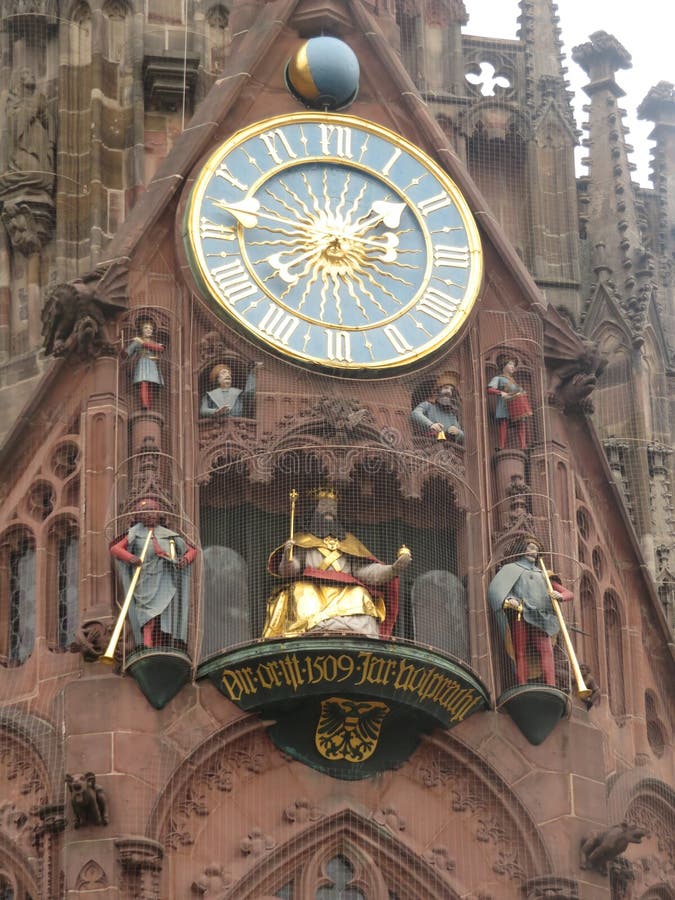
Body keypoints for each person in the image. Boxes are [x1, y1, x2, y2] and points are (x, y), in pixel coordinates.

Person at [262, 490, 411, 639]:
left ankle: (353, 632)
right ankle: (313, 630)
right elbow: (289, 571)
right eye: (324, 506)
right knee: (302, 591)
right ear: (314, 510)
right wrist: (287, 557)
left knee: (360, 593)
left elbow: (365, 571)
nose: (330, 511)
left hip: (346, 587)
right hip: (312, 585)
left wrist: (393, 569)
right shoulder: (302, 540)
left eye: (333, 507)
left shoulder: (350, 542)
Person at [110, 498, 197, 649]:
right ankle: (146, 645)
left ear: (159, 514)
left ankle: (163, 645)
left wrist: (184, 560)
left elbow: (192, 551)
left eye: (153, 510)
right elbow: (115, 549)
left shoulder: (169, 534)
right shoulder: (136, 532)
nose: (150, 515)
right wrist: (131, 558)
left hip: (165, 579)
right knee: (146, 615)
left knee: (165, 613)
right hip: (144, 579)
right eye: (145, 512)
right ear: (139, 516)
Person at [488, 537, 572, 687]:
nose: (533, 552)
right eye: (530, 548)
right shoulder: (512, 569)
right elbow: (498, 590)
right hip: (521, 615)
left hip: (541, 618)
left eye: (536, 550)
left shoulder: (545, 574)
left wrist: (560, 596)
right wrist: (509, 599)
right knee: (520, 651)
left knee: (546, 651)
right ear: (523, 549)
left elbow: (568, 593)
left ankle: (551, 685)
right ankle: (522, 684)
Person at [487, 354, 532, 450]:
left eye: (514, 365)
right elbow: (490, 390)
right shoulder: (498, 378)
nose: (513, 367)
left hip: (515, 404)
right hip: (504, 404)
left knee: (521, 422)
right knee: (503, 423)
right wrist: (501, 392)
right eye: (510, 364)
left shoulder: (513, 381)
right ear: (504, 366)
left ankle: (523, 445)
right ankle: (501, 446)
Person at [124, 321, 164, 410]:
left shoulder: (152, 342)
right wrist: (122, 350)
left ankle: (149, 406)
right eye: (146, 328)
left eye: (150, 329)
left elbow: (159, 348)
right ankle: (145, 404)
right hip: (143, 363)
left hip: (152, 363)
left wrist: (142, 343)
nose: (149, 330)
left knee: (151, 384)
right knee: (143, 382)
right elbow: (127, 352)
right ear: (142, 330)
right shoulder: (136, 342)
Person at [411, 376, 464, 443]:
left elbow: (463, 436)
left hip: (447, 446)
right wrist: (431, 425)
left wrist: (458, 432)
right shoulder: (428, 405)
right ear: (438, 390)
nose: (449, 392)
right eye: (446, 388)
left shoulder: (451, 414)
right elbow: (415, 413)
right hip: (428, 443)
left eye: (451, 390)